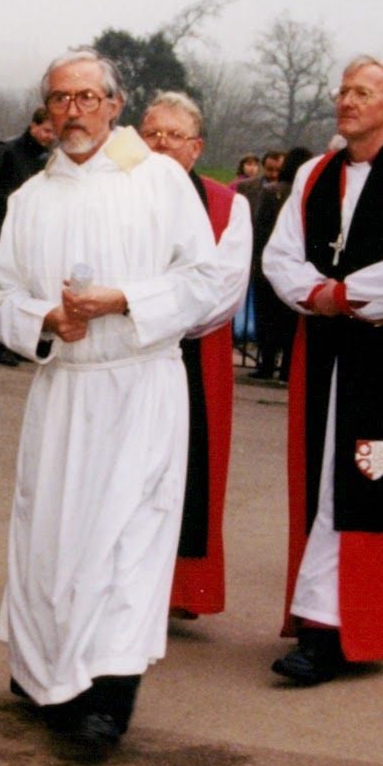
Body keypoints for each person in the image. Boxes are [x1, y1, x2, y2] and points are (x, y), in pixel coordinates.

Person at [0, 50, 222, 752]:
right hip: (65, 391)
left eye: (88, 97)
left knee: (127, 541)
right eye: (60, 98)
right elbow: (0, 300)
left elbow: (205, 282)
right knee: (51, 539)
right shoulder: (31, 199)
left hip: (139, 386)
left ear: (116, 105)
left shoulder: (160, 182)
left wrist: (126, 299)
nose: (74, 111)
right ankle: (46, 673)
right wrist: (46, 320)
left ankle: (108, 697)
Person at [262, 56, 383, 685]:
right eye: (343, 91)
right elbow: (280, 256)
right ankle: (322, 623)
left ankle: (340, 629)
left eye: (363, 93)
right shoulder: (314, 174)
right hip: (325, 352)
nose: (346, 101)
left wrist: (345, 295)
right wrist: (314, 295)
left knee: (365, 481)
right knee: (323, 478)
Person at [139, 92, 250, 620]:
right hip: (129, 353)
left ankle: (181, 589)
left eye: (174, 135)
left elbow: (223, 291)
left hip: (194, 351)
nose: (161, 144)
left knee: (188, 473)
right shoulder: (118, 195)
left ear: (196, 148)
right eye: (151, 133)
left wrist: (149, 317)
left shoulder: (229, 206)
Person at [0, 106, 52, 364]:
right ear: (33, 126)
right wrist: (9, 203)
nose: (50, 136)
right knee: (4, 283)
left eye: (53, 132)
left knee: (30, 283)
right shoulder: (7, 149)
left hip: (33, 228)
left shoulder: (48, 156)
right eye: (46, 131)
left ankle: (22, 342)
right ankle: (1, 344)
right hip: (5, 224)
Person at [248, 149, 301, 381]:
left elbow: (260, 228)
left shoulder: (271, 192)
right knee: (290, 319)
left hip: (268, 265)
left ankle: (267, 364)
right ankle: (288, 367)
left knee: (267, 317)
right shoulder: (304, 193)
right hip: (297, 266)